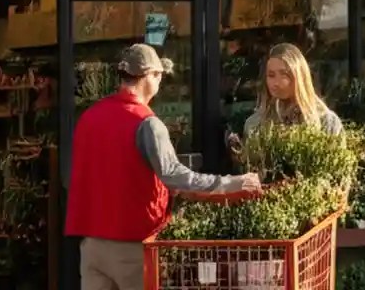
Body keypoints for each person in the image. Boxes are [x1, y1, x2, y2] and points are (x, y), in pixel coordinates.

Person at [66, 43, 262, 290]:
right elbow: (174, 176)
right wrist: (234, 183)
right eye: (159, 75)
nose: (160, 81)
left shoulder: (90, 116)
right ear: (150, 75)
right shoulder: (147, 123)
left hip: (92, 243)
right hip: (134, 244)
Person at [243, 43, 344, 137]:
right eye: (271, 75)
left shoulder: (326, 122)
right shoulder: (255, 125)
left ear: (299, 76)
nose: (276, 82)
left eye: (284, 74)